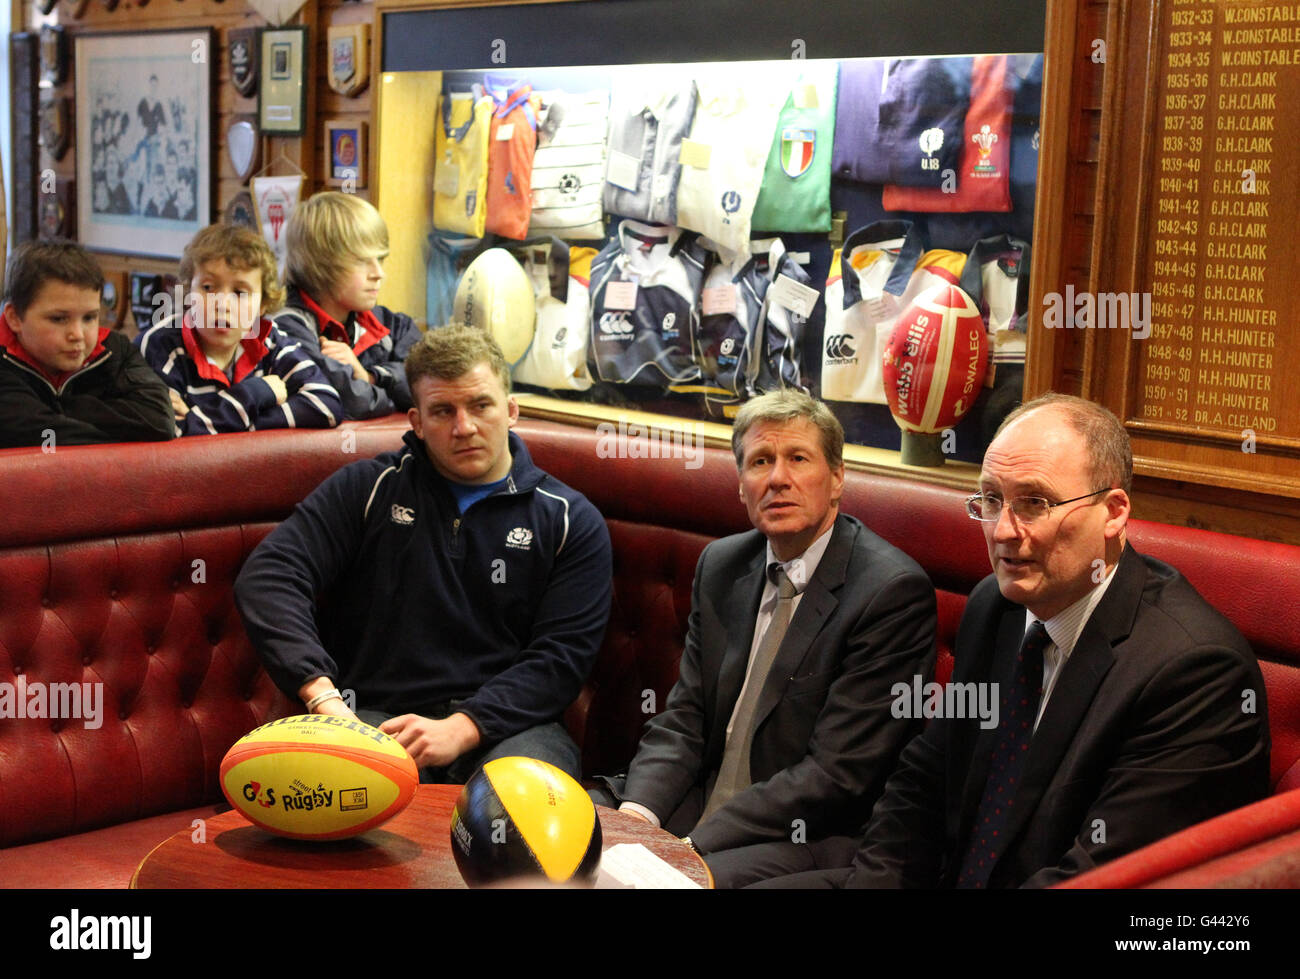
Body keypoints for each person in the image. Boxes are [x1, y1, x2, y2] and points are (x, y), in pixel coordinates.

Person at [759, 393, 1270, 888]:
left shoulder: (1194, 672)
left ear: (1113, 512)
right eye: (991, 500)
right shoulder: (996, 608)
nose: (1002, 530)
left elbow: (1103, 874)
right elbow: (924, 782)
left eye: (1033, 503)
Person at [234, 325, 612, 782]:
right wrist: (324, 698)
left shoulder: (570, 518)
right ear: (415, 422)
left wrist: (463, 727)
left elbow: (560, 659)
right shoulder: (369, 488)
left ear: (511, 410)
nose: (464, 427)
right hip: (376, 720)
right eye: (442, 411)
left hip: (510, 731)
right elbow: (270, 574)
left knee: (520, 817)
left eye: (480, 405)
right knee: (323, 794)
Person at [592, 389, 938, 888]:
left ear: (837, 477)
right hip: (700, 797)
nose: (778, 478)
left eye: (798, 458)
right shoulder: (722, 565)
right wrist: (638, 818)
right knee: (554, 838)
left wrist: (686, 847)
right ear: (740, 486)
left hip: (806, 834)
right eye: (760, 461)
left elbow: (834, 776)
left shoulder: (889, 592)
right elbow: (685, 717)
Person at [135, 224, 342, 435]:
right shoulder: (157, 346)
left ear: (263, 304)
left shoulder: (270, 340)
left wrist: (218, 422)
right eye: (208, 288)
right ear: (188, 291)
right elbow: (169, 432)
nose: (223, 304)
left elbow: (326, 405)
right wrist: (257, 392)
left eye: (240, 292)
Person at [0, 239, 173, 448]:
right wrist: (121, 422)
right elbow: (40, 437)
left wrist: (54, 408)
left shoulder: (115, 350)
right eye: (59, 319)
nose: (78, 335)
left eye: (89, 318)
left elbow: (159, 422)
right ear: (14, 318)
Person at [273, 191, 421, 420]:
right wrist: (394, 395)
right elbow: (352, 403)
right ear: (320, 265)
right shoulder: (286, 327)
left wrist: (370, 377)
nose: (379, 274)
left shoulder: (394, 325)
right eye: (362, 261)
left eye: (380, 259)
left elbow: (427, 387)